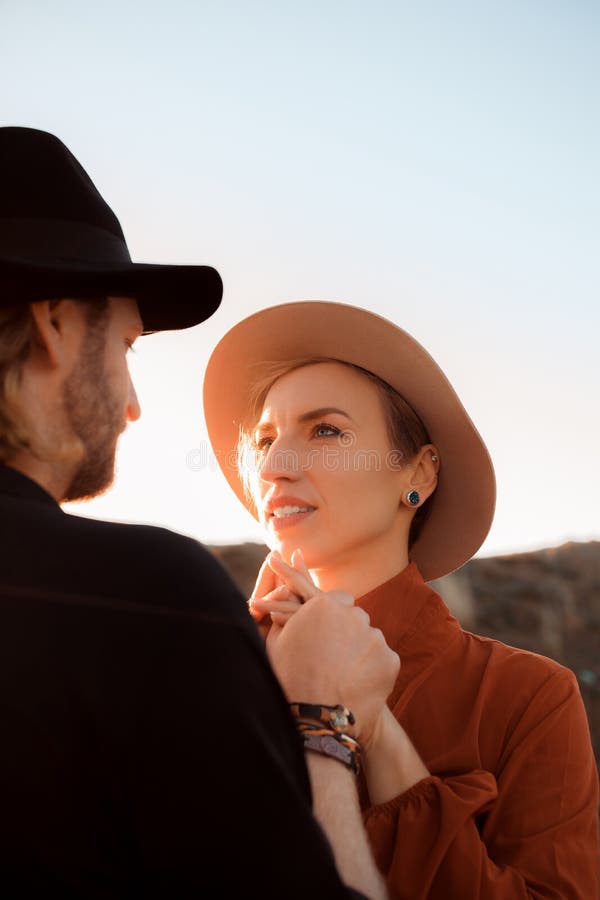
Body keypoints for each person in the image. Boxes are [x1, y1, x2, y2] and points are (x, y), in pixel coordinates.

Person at [0, 127, 397, 899]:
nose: (135, 405)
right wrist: (320, 723)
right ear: (54, 325)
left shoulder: (525, 696)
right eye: (126, 345)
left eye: (326, 430)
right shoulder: (150, 599)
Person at [203, 300, 600, 899]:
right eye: (263, 440)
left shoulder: (526, 698)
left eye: (326, 430)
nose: (275, 465)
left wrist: (381, 735)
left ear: (418, 474)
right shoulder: (198, 667)